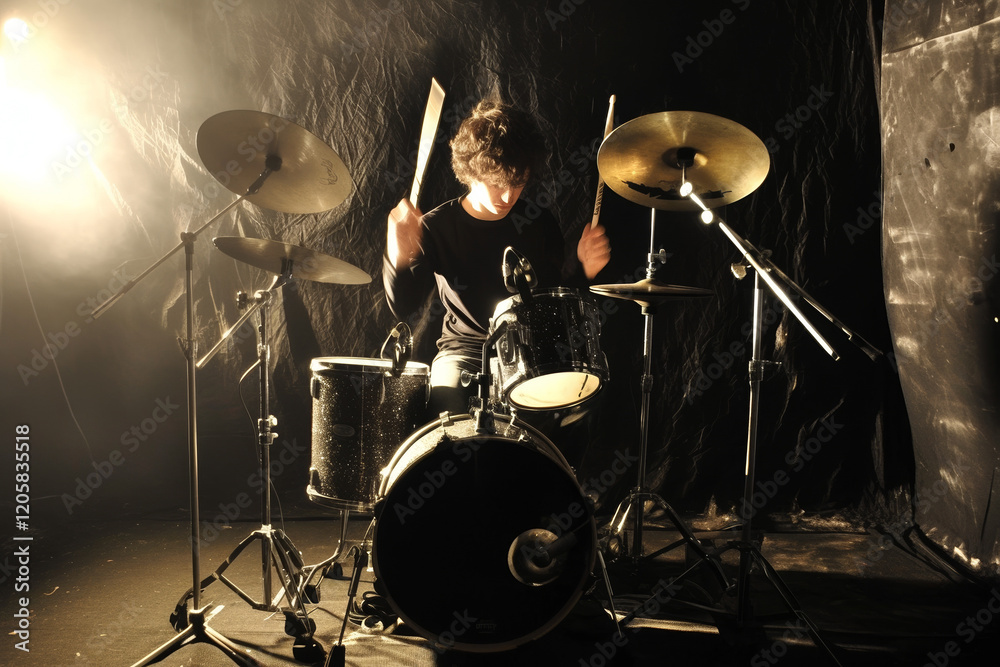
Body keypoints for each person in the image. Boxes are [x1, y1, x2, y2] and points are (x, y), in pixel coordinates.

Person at [383, 98, 610, 416]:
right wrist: (399, 255)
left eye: (518, 184)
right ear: (469, 173)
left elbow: (554, 310)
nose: (508, 196)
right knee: (447, 423)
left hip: (531, 354)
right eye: (496, 184)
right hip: (464, 353)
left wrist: (585, 271)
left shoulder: (538, 222)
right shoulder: (437, 226)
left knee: (571, 420)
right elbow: (404, 306)